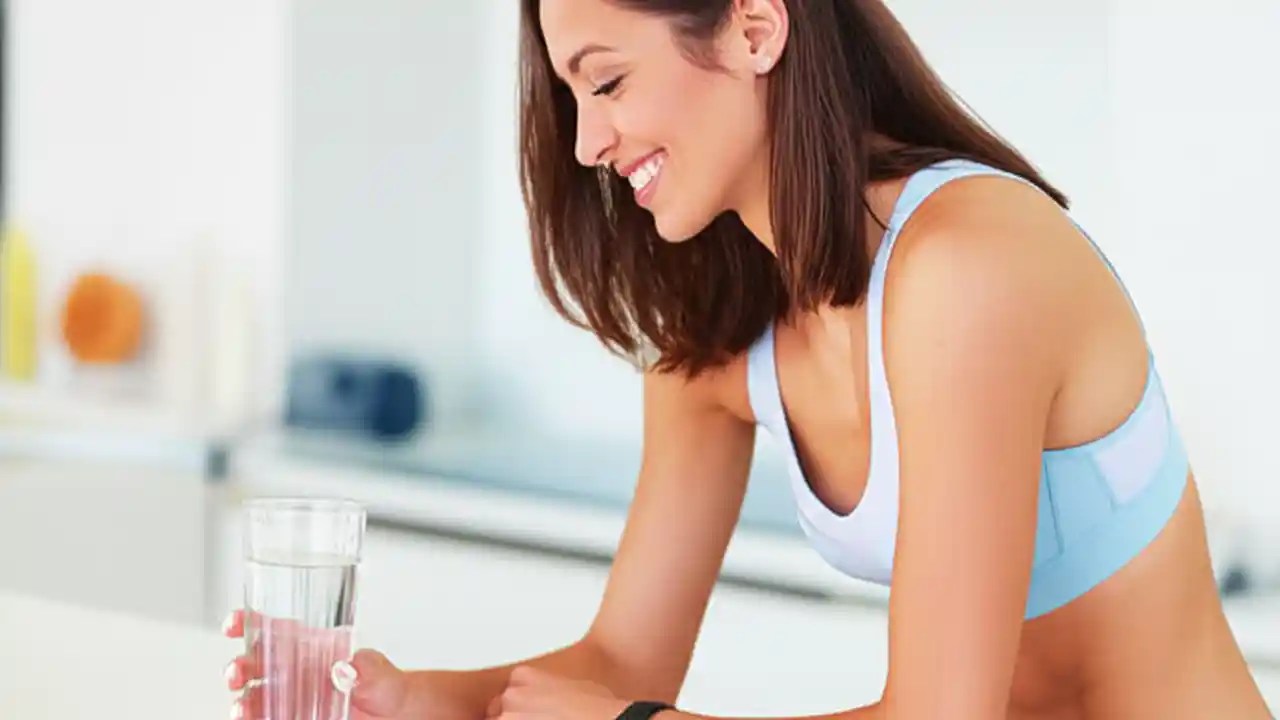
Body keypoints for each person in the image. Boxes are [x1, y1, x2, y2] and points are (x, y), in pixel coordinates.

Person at [225, 0, 1274, 718]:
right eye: (573, 98)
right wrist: (418, 700)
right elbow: (623, 660)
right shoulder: (712, 342)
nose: (587, 142)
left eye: (607, 82)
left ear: (755, 26)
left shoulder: (967, 266)